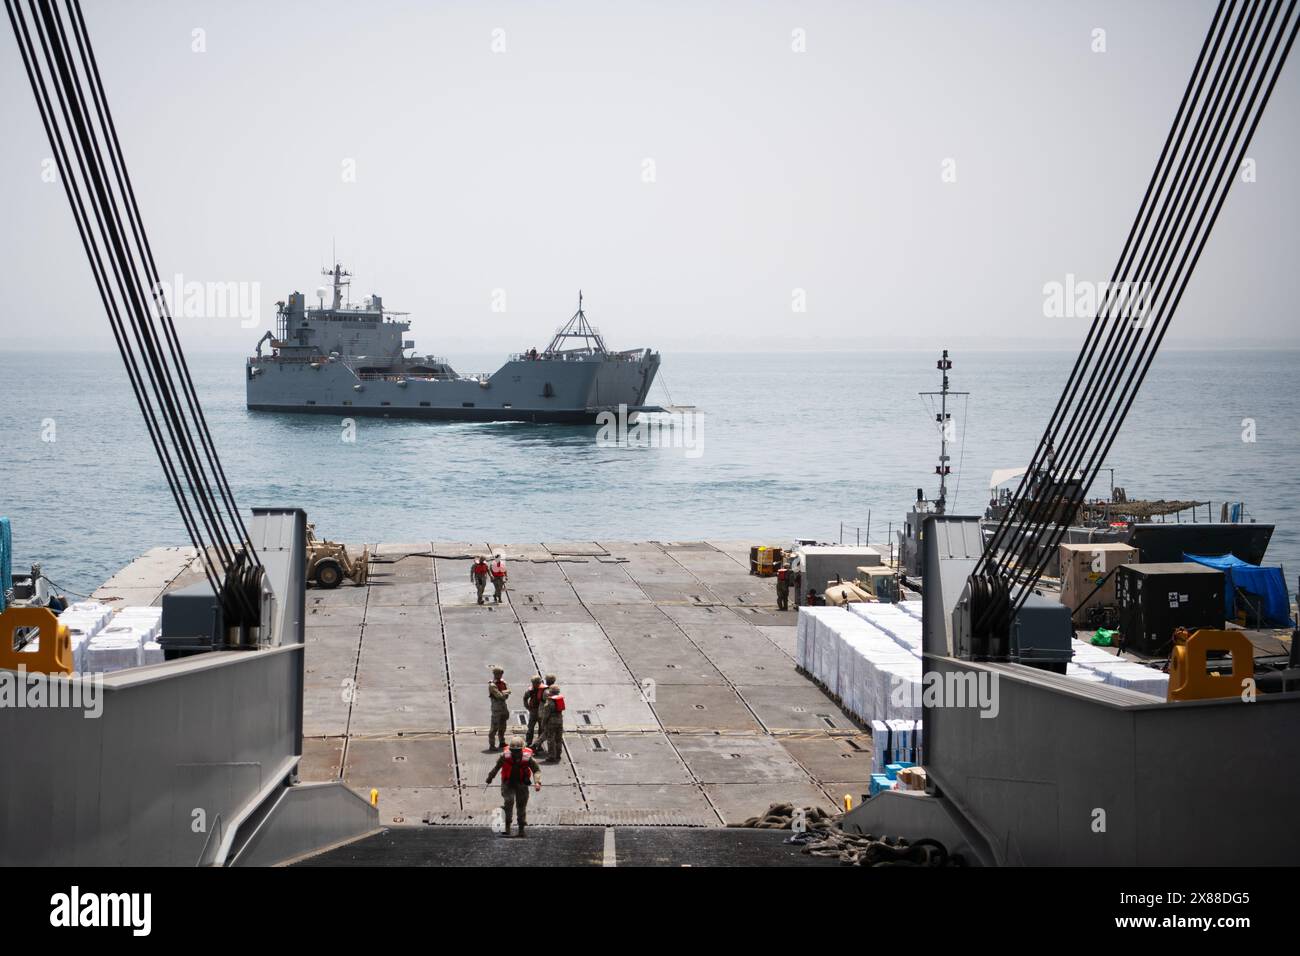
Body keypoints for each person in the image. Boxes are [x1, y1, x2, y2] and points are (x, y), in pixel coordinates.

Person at [485, 735, 541, 838]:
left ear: (523, 749)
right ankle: (506, 827)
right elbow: (496, 768)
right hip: (508, 783)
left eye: (518, 751)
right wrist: (490, 778)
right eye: (513, 751)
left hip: (521, 783)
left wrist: (537, 782)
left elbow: (536, 770)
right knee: (509, 801)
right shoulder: (504, 756)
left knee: (521, 806)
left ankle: (521, 829)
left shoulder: (528, 758)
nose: (515, 753)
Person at [487, 666, 510, 751]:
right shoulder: (492, 685)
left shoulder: (503, 683)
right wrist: (505, 693)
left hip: (503, 707)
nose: (500, 675)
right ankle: (492, 745)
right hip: (496, 708)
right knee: (494, 727)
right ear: (495, 674)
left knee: (503, 726)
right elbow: (500, 696)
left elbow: (505, 695)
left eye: (501, 673)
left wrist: (504, 693)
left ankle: (502, 742)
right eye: (498, 673)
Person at [540, 685, 565, 764]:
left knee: (551, 740)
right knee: (559, 739)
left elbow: (546, 715)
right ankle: (558, 754)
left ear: (550, 692)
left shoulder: (549, 703)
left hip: (551, 723)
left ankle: (551, 756)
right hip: (560, 721)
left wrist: (543, 723)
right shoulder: (560, 700)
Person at [523, 674, 545, 747]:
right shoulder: (530, 691)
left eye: (538, 682)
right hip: (534, 711)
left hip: (541, 711)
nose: (536, 684)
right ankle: (528, 742)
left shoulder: (544, 690)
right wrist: (528, 707)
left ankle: (538, 744)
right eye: (535, 683)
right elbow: (525, 698)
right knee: (530, 727)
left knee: (541, 728)